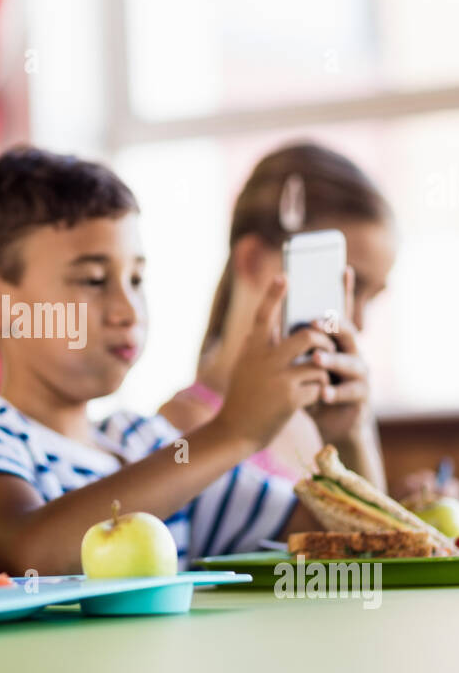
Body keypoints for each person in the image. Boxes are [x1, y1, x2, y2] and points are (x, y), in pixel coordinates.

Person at [0, 146, 336, 576]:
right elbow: (31, 552)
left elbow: (335, 537)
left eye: (136, 279)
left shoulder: (143, 443)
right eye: (93, 280)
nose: (127, 311)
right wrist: (234, 432)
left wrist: (350, 431)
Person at [159, 141, 397, 490]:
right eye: (344, 285)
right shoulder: (181, 433)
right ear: (254, 260)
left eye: (369, 296)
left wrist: (355, 439)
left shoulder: (323, 420)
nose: (357, 322)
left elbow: (372, 542)